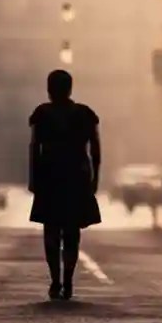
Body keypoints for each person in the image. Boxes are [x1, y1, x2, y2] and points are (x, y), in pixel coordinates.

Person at [28, 69, 101, 301]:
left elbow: (34, 148)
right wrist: (95, 177)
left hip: (49, 176)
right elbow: (95, 148)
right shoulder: (85, 114)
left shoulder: (42, 114)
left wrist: (33, 178)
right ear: (70, 88)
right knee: (71, 232)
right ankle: (67, 280)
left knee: (51, 231)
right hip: (76, 177)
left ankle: (56, 281)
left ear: (50, 89)